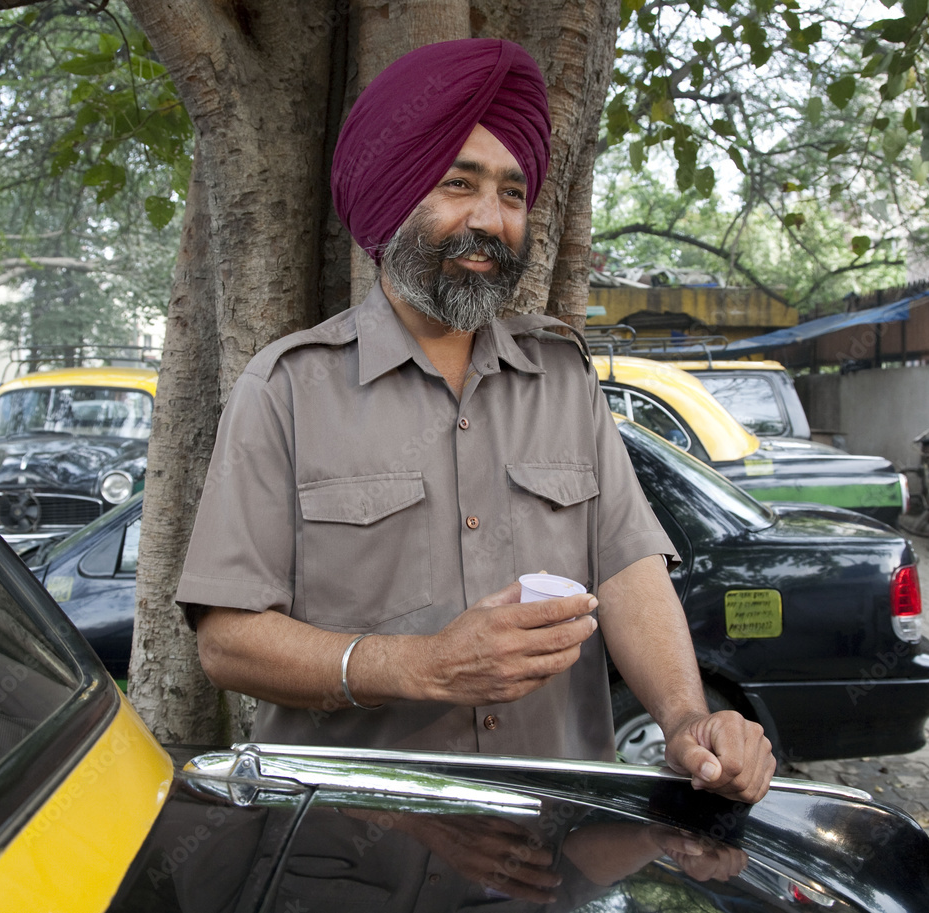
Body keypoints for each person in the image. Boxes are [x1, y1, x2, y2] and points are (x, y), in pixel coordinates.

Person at [176, 38, 775, 804]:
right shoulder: (286, 389)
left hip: (552, 834)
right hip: (351, 843)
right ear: (395, 192)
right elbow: (227, 640)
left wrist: (687, 718)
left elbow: (628, 571)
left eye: (513, 193)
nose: (490, 220)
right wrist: (418, 666)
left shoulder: (563, 378)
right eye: (460, 184)